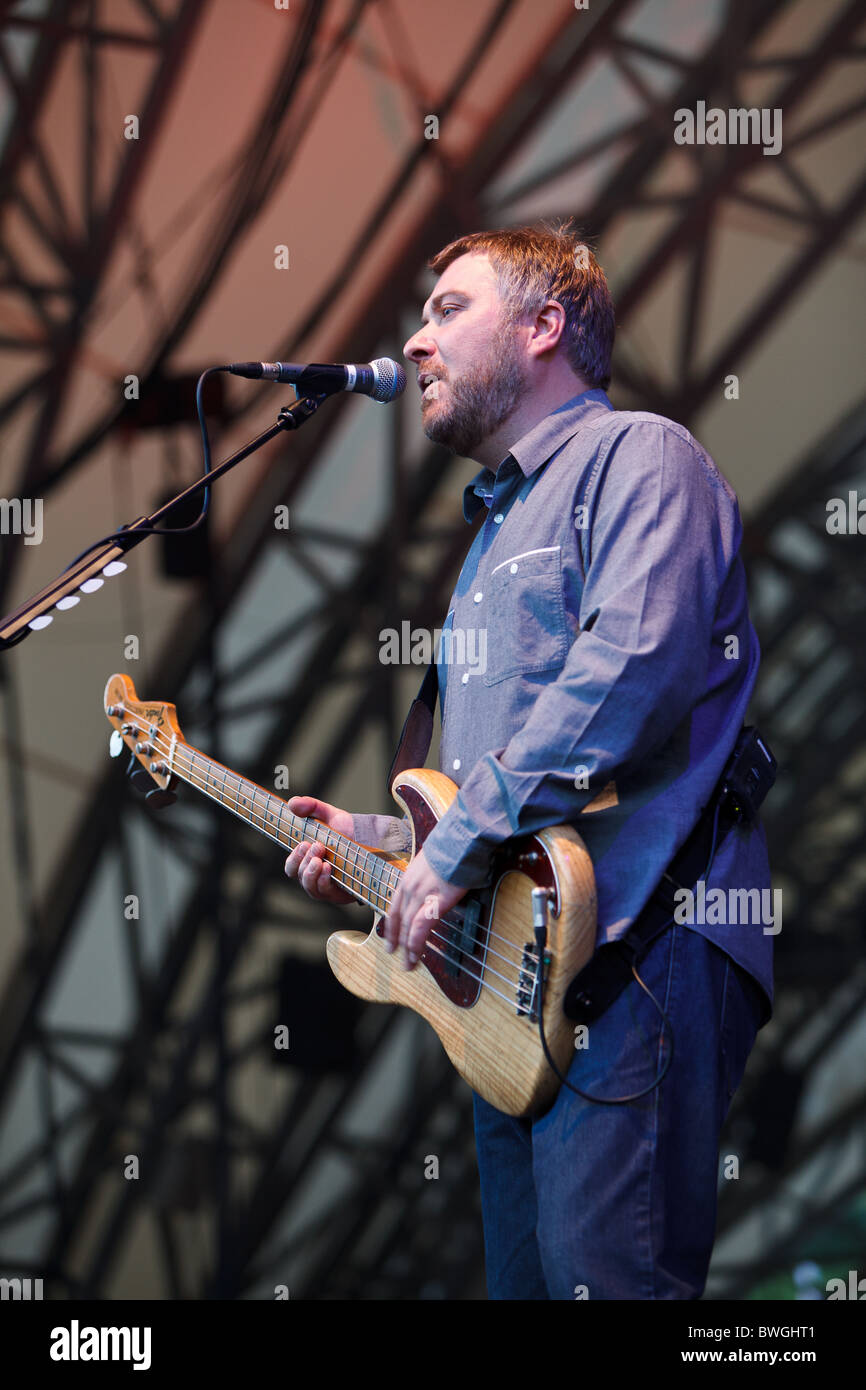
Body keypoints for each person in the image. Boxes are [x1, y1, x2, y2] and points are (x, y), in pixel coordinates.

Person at [284, 223, 773, 1300]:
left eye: (447, 309)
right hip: (518, 993)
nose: (415, 341)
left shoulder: (640, 455)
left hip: (640, 947)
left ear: (544, 325)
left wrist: (452, 843)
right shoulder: (487, 541)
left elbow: (628, 671)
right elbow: (490, 783)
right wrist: (379, 840)